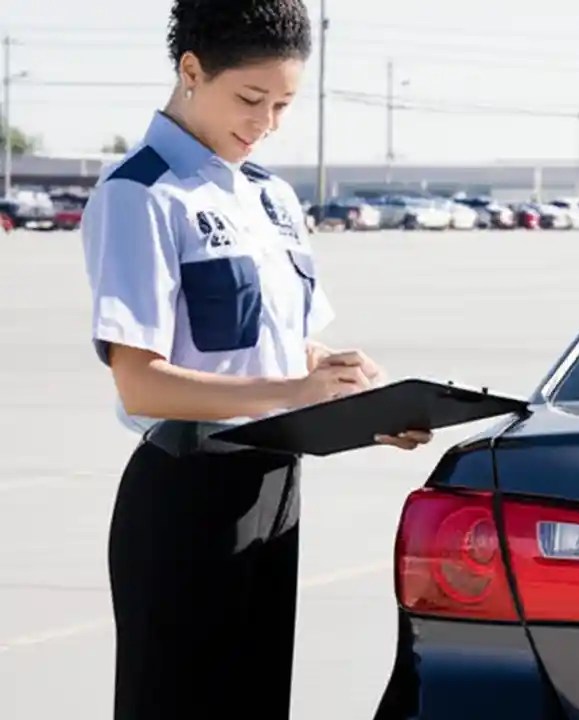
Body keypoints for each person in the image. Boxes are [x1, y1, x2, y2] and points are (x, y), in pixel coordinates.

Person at [79, 1, 429, 717]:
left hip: (273, 485)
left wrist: (361, 400)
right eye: (250, 99)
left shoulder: (269, 196)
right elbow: (140, 382)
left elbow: (286, 350)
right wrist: (298, 389)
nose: (266, 122)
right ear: (191, 70)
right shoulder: (141, 194)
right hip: (185, 493)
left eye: (284, 105)